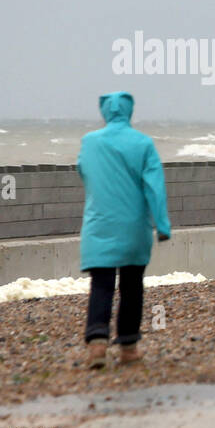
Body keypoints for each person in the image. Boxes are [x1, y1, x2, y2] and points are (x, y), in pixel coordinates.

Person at [76, 92, 172, 368]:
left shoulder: (89, 142)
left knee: (102, 284)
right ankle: (128, 348)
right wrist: (162, 226)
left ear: (104, 112)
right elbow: (155, 187)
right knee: (131, 286)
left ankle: (96, 345)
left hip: (99, 225)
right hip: (133, 229)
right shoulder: (143, 143)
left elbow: (83, 171)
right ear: (129, 111)